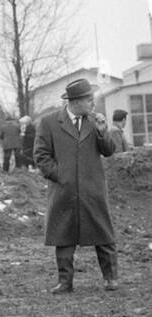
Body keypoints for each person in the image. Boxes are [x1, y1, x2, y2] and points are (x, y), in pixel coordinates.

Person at [33, 79, 118, 292]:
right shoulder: (49, 122)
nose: (93, 104)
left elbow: (108, 151)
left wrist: (102, 131)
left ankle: (110, 278)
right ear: (75, 102)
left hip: (93, 189)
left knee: (103, 233)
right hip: (63, 189)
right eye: (89, 100)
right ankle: (65, 282)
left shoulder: (95, 121)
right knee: (63, 235)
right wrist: (59, 175)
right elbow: (41, 155)